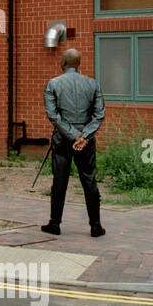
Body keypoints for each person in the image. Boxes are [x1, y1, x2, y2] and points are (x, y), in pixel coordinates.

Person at [42, 48, 105, 237]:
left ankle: (55, 223)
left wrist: (73, 135)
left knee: (59, 181)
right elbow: (99, 114)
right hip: (85, 141)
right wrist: (84, 135)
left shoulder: (53, 84)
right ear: (79, 64)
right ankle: (95, 225)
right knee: (89, 180)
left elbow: (53, 115)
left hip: (63, 140)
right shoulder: (92, 84)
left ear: (62, 63)